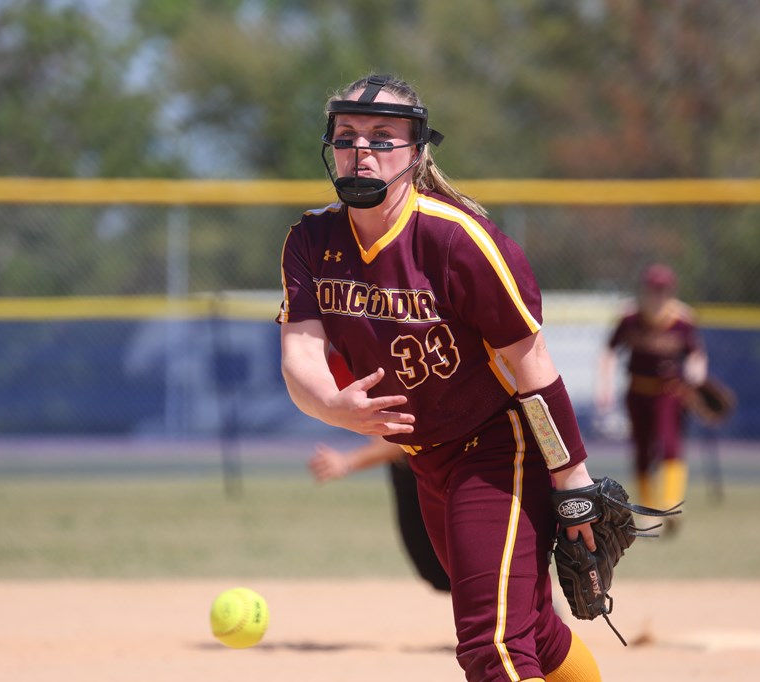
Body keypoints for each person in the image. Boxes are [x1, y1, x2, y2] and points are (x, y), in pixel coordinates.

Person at [278, 74, 602, 682]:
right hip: (425, 459)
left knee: (493, 647)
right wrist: (331, 405)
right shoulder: (312, 239)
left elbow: (533, 369)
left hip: (498, 445)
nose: (362, 151)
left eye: (382, 136)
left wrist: (573, 480)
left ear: (417, 150)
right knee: (535, 632)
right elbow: (300, 357)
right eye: (346, 135)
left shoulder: (458, 241)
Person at [309, 349, 451, 593]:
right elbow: (387, 433)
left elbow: (408, 427)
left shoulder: (389, 349)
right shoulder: (338, 362)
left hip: (445, 462)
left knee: (462, 566)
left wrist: (348, 461)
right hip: (408, 470)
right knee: (434, 571)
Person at [595, 263, 708, 529]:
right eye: (653, 289)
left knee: (669, 444)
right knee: (643, 449)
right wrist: (605, 389)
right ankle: (647, 511)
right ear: (643, 290)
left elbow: (696, 353)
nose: (658, 296)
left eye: (663, 290)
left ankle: (669, 504)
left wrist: (697, 377)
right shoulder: (630, 318)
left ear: (671, 292)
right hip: (638, 390)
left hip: (669, 392)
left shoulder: (681, 320)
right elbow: (609, 352)